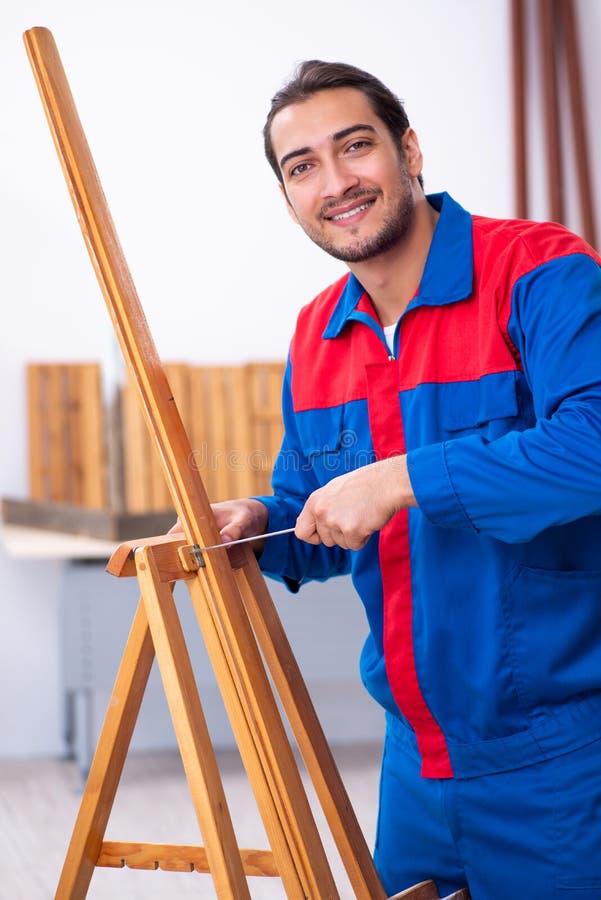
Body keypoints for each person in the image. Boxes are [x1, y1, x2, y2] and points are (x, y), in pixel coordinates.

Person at [209, 61, 601, 896]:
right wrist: (253, 518)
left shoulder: (537, 271)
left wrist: (402, 478)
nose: (336, 181)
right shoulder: (318, 335)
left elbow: (593, 444)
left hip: (561, 753)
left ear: (408, 150)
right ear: (287, 196)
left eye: (355, 147)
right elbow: (313, 516)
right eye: (302, 165)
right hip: (413, 764)